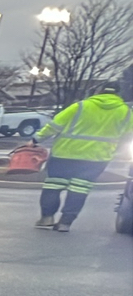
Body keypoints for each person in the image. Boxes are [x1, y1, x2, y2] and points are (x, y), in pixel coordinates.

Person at [33, 83, 133, 233]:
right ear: (119, 94)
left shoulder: (80, 106)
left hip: (64, 154)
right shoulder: (126, 113)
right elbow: (128, 136)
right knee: (79, 189)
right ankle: (65, 223)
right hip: (96, 159)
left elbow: (55, 125)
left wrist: (36, 139)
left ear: (97, 91)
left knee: (53, 187)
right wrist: (116, 151)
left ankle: (47, 218)